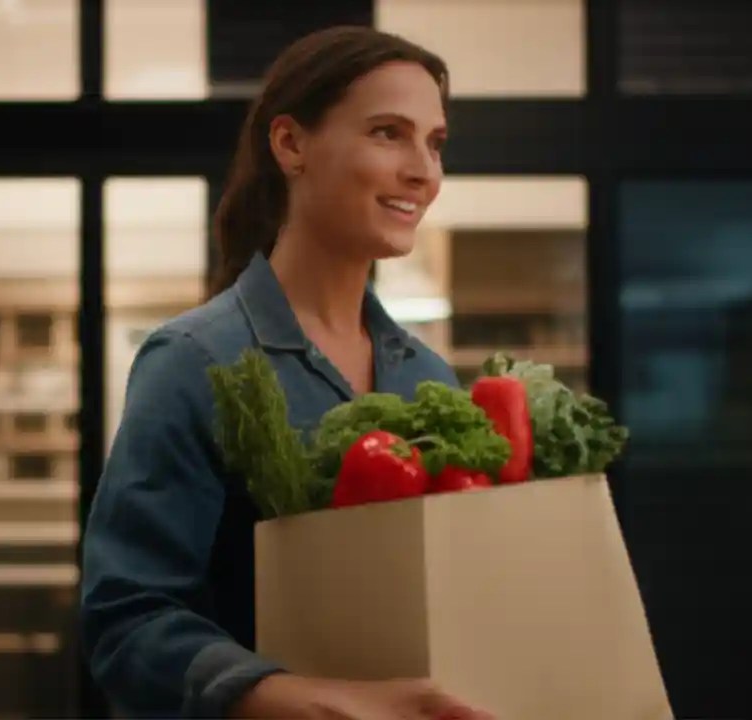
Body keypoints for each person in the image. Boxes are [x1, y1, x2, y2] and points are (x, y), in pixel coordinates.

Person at [81, 25, 492, 719]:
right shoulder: (194, 360)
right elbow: (128, 619)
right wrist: (309, 703)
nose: (424, 170)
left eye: (435, 141)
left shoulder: (427, 376)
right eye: (389, 133)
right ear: (290, 144)